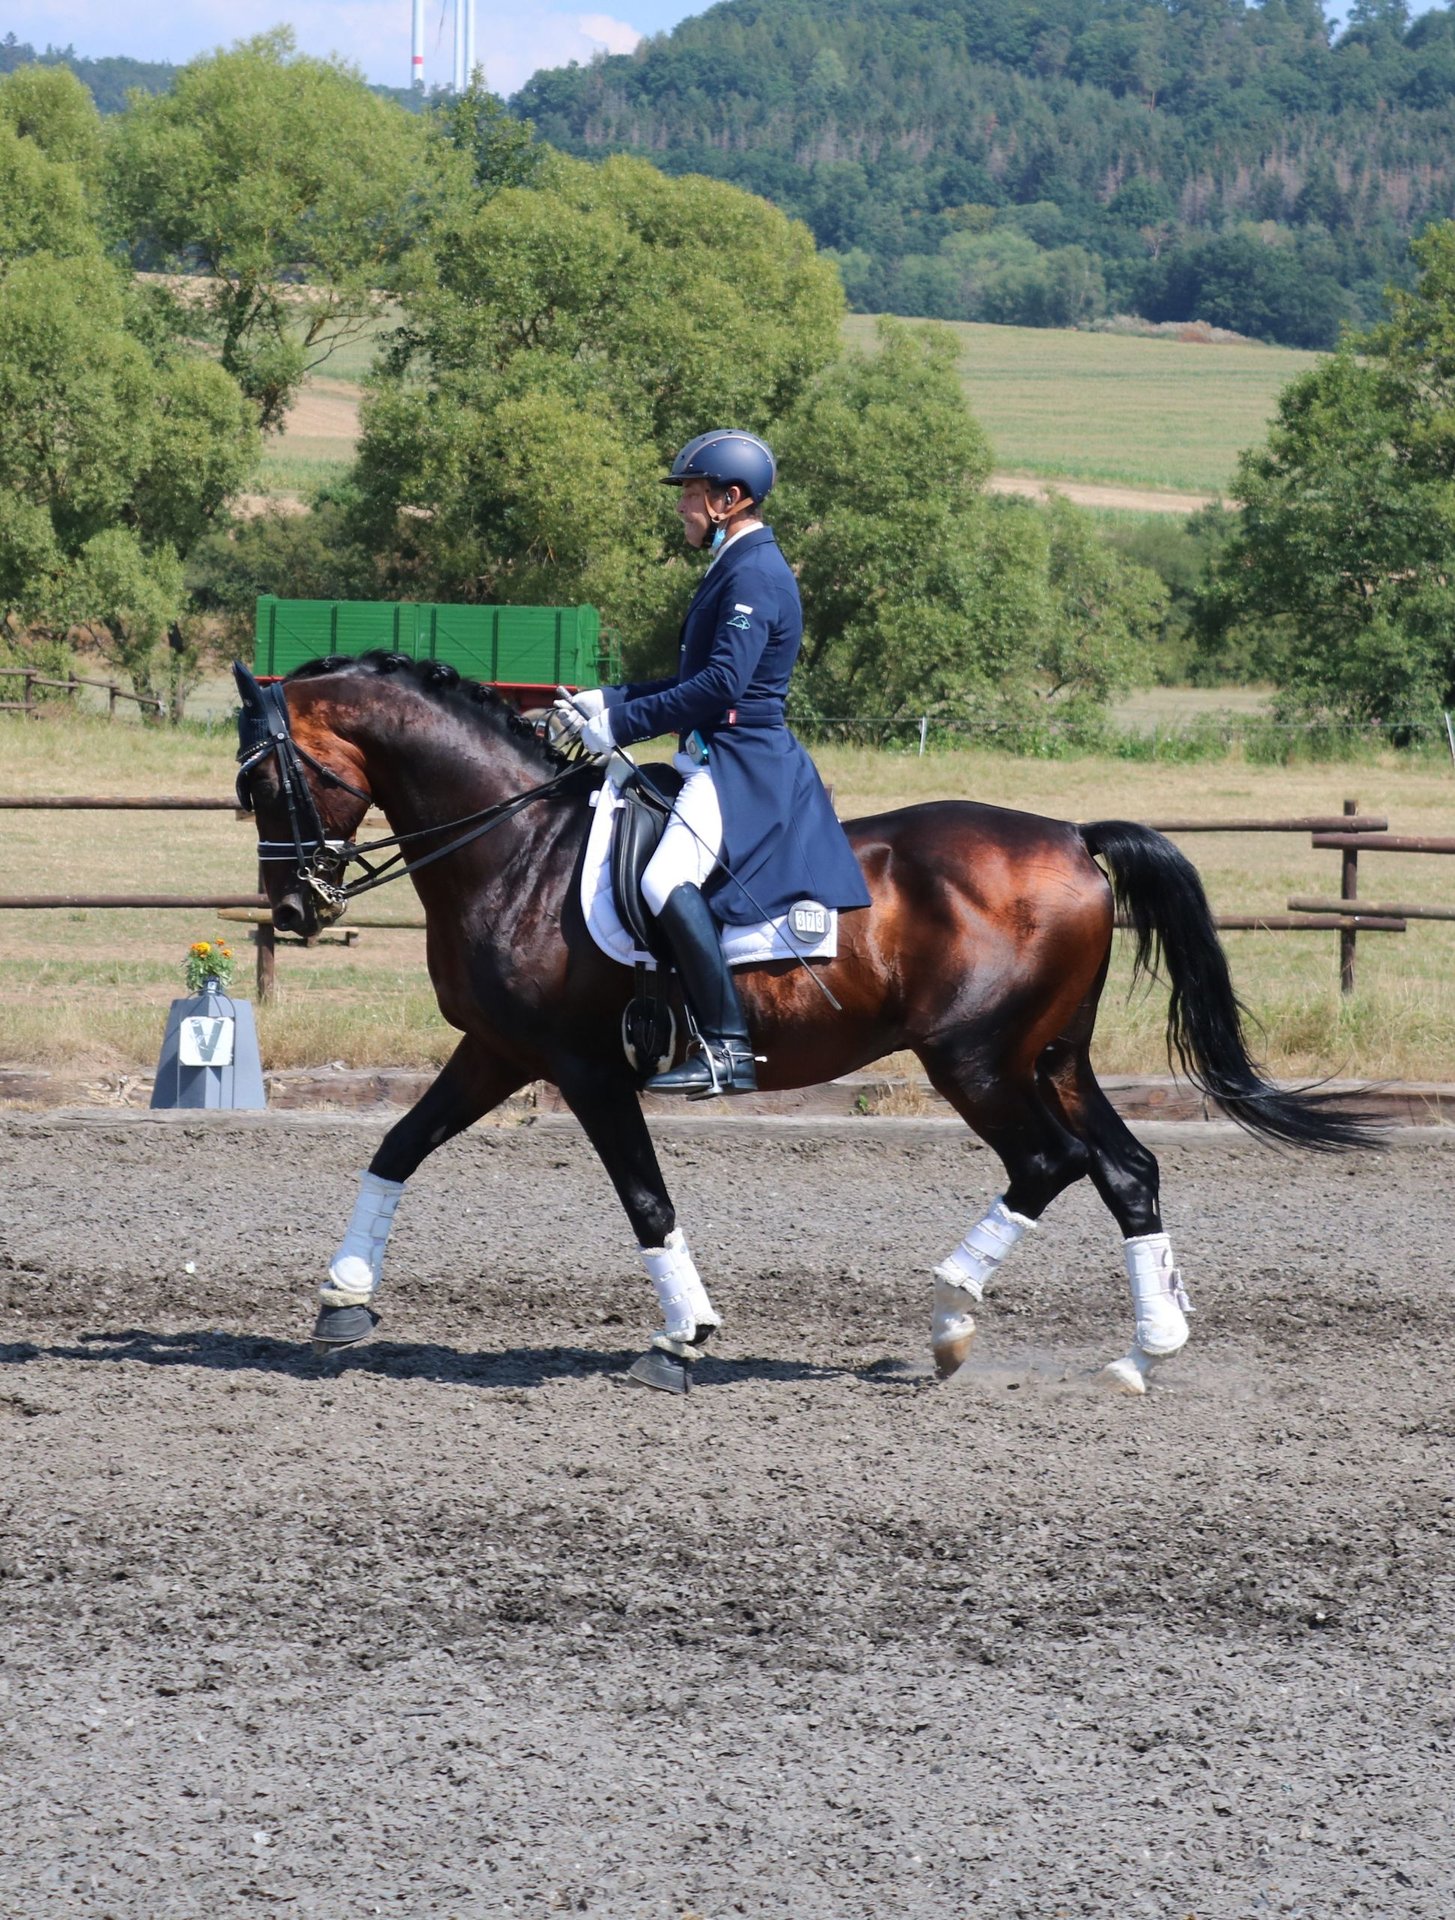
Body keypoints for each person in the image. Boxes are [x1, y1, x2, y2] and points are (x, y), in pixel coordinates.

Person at [554, 428, 871, 1097]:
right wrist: (603, 699)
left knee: (663, 879)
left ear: (729, 498)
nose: (681, 507)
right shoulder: (732, 565)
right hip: (712, 754)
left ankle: (726, 1047)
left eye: (692, 494)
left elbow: (721, 687)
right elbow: (687, 678)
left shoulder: (754, 572)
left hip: (741, 762)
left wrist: (620, 726)